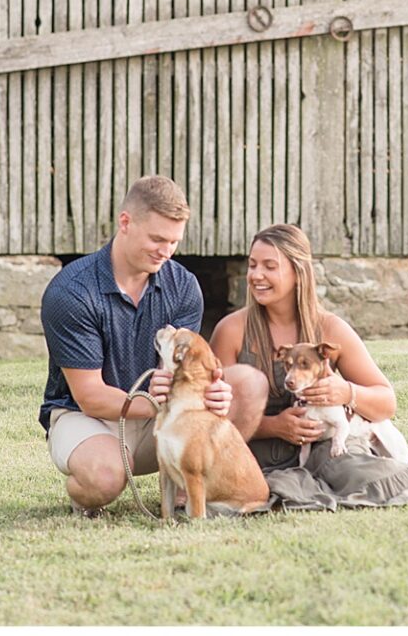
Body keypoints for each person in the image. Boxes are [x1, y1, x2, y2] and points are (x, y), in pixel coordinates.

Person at [209, 223, 408, 509]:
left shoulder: (330, 329)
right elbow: (212, 417)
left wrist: (345, 391)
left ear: (298, 273)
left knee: (358, 472)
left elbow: (386, 402)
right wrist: (274, 425)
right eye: (252, 265)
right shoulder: (232, 330)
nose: (256, 275)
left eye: (269, 266)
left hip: (321, 448)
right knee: (243, 492)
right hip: (256, 449)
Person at [39, 175, 268, 516]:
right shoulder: (71, 292)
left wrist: (211, 393)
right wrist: (159, 401)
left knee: (248, 384)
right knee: (104, 476)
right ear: (126, 222)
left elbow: (182, 369)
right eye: (158, 239)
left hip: (162, 420)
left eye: (174, 242)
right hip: (88, 418)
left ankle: (186, 495)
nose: (166, 251)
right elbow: (90, 396)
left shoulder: (183, 286)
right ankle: (85, 494)